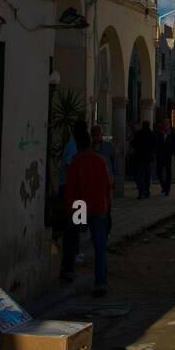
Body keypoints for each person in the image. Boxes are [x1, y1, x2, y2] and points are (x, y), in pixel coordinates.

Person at [63, 131, 113, 296]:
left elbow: (70, 188)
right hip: (99, 206)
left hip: (80, 206)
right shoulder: (101, 161)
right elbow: (107, 185)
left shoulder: (76, 161)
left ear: (78, 146)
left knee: (72, 236)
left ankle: (70, 270)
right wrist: (107, 208)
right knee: (100, 246)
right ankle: (101, 282)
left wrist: (69, 208)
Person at [58, 119, 89, 280]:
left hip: (78, 193)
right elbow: (71, 170)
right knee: (72, 227)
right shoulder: (72, 146)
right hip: (71, 192)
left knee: (77, 226)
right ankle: (69, 262)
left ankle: (75, 254)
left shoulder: (77, 146)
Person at [91, 124, 116, 233]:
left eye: (98, 135)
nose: (96, 137)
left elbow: (114, 163)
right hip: (94, 182)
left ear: (101, 135)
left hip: (107, 181)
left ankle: (106, 230)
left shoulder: (108, 146)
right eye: (94, 136)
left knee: (107, 207)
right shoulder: (90, 148)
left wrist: (113, 178)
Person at [132, 119, 156, 198]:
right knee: (147, 176)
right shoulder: (152, 134)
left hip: (139, 158)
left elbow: (134, 144)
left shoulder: (138, 134)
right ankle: (146, 191)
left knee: (139, 176)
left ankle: (141, 191)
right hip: (148, 158)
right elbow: (154, 146)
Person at [155, 119, 175, 196]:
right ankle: (164, 186)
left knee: (168, 172)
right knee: (158, 172)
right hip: (160, 155)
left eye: (166, 124)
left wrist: (174, 152)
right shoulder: (159, 133)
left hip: (168, 155)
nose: (165, 126)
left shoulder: (172, 133)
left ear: (169, 125)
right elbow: (156, 144)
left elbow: (174, 143)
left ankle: (167, 189)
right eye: (164, 124)